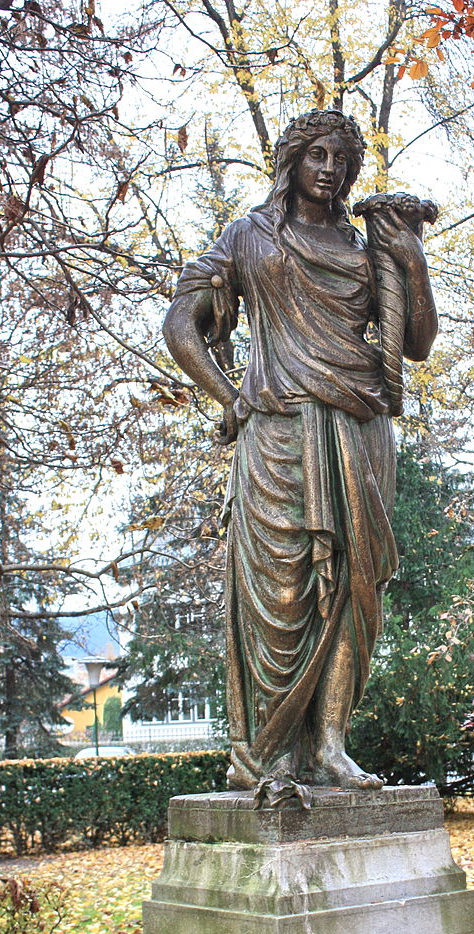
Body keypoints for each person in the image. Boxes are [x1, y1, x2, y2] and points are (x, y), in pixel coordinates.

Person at [163, 109, 437, 791]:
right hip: (279, 436)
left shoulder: (364, 247)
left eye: (342, 160)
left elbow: (418, 342)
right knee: (281, 597)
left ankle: (331, 747)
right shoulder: (248, 238)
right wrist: (228, 398)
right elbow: (179, 325)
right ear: (292, 161)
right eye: (317, 155)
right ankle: (269, 755)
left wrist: (410, 259)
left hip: (359, 432)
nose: (330, 169)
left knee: (353, 588)